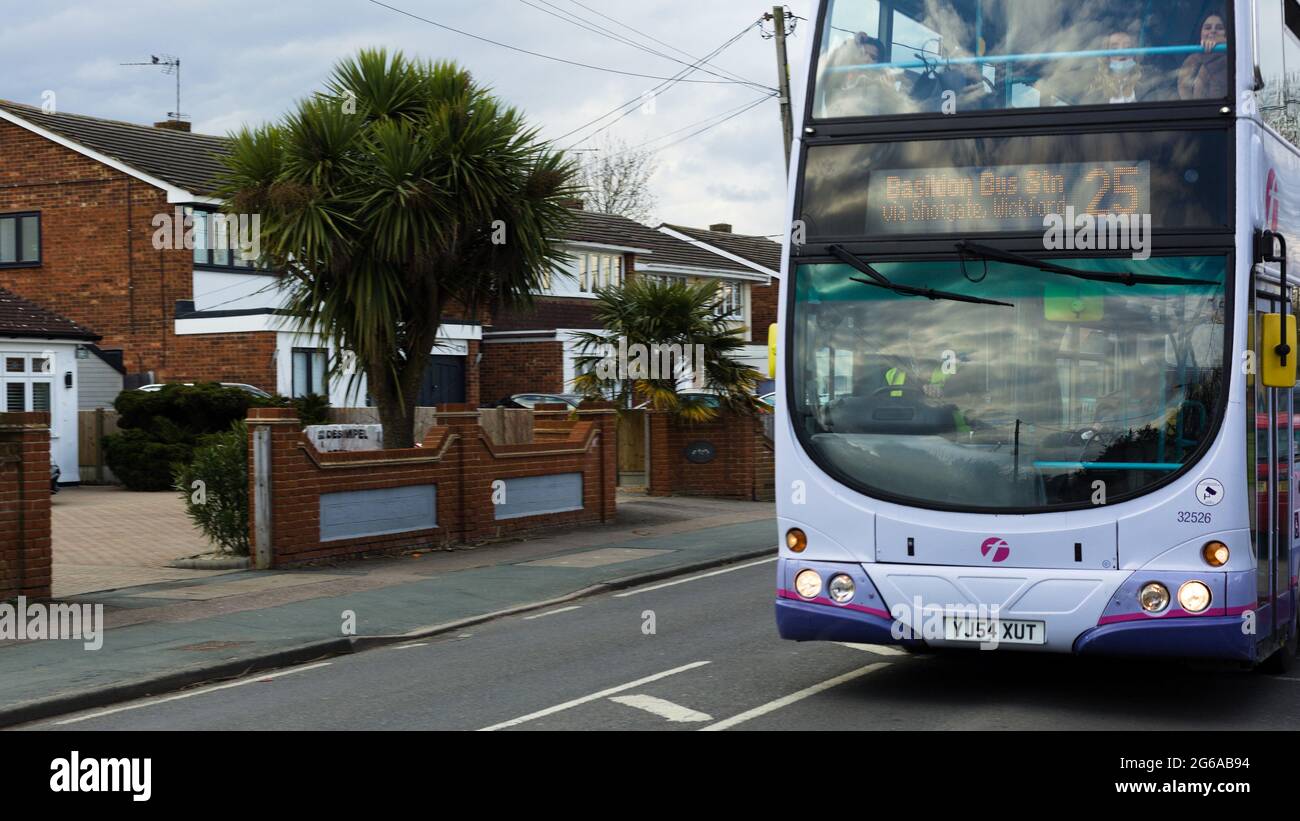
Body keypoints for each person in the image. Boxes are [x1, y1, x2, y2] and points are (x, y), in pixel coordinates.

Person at [819, 32, 918, 117]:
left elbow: (896, 115)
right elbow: (831, 67)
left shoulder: (880, 88)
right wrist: (853, 41)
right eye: (863, 53)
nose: (867, 59)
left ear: (877, 64)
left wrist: (890, 93)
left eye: (873, 57)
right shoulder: (839, 82)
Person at [1084, 31, 1150, 104]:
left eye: (1127, 47)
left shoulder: (1149, 81)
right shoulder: (1095, 88)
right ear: (1107, 56)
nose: (1121, 52)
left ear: (1134, 54)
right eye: (1114, 48)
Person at [1178, 12, 1228, 100]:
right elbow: (1184, 92)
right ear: (1200, 33)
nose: (1213, 31)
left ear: (1226, 34)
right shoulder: (1191, 59)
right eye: (1208, 28)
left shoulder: (1234, 57)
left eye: (1219, 28)